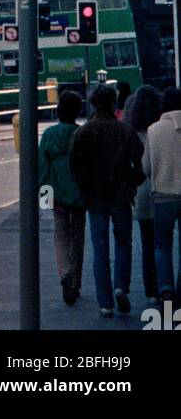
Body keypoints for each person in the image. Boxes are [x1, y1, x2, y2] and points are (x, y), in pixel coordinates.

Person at [70, 83, 145, 318]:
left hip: (95, 199)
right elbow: (140, 165)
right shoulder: (126, 131)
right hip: (121, 196)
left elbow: (74, 168)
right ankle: (121, 287)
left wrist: (85, 187)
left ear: (93, 104)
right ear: (114, 103)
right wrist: (132, 182)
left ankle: (105, 303)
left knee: (99, 250)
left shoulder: (83, 132)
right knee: (123, 244)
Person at [38, 90, 85, 305]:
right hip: (79, 195)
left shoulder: (49, 135)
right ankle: (75, 282)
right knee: (78, 238)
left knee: (60, 236)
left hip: (57, 196)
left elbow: (42, 170)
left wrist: (44, 199)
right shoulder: (81, 134)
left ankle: (64, 273)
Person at [124, 84, 163, 306]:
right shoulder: (159, 130)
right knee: (163, 243)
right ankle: (165, 283)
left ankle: (151, 290)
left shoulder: (132, 133)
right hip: (163, 190)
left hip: (142, 193)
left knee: (147, 244)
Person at [142, 86, 181, 304]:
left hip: (164, 194)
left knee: (162, 244)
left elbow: (146, 167)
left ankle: (165, 288)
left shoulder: (154, 130)